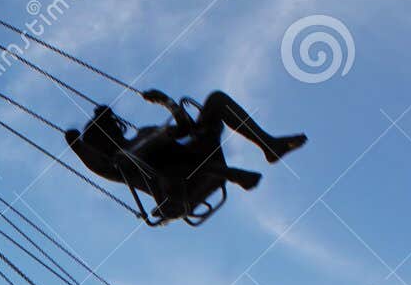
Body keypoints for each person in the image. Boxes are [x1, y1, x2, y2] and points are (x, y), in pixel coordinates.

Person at [66, 91, 306, 221]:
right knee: (164, 164)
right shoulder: (117, 162)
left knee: (216, 101)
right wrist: (76, 145)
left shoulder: (145, 134)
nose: (112, 130)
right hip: (183, 190)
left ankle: (269, 145)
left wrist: (168, 104)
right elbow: (96, 165)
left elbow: (183, 128)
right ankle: (228, 173)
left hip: (198, 157)